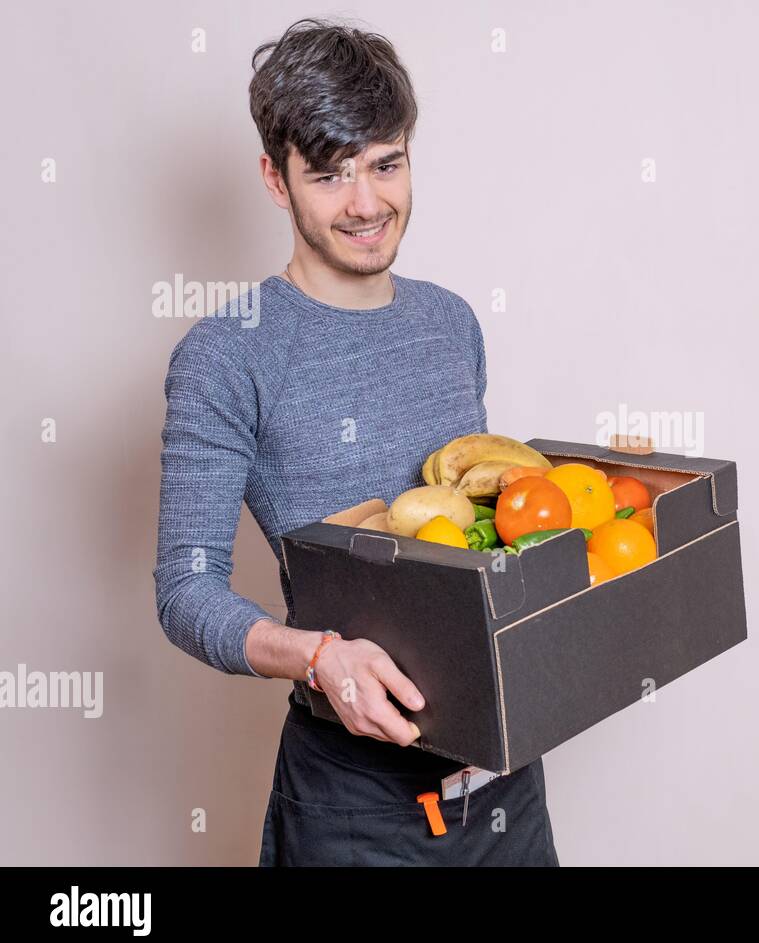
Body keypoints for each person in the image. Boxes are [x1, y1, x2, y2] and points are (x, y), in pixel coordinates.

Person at [152, 17, 559, 866]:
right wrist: (318, 657)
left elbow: (482, 539)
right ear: (275, 178)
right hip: (353, 805)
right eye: (331, 175)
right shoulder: (227, 357)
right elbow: (184, 591)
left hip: (507, 781)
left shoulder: (450, 323)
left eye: (387, 163)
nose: (368, 203)